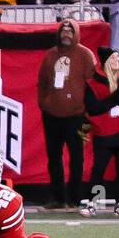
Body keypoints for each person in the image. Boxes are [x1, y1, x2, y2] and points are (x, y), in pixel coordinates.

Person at [36, 18, 97, 209]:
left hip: (78, 116)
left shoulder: (85, 55)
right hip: (51, 115)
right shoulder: (50, 55)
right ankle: (58, 198)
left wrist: (87, 110)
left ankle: (74, 198)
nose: (67, 34)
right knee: (54, 157)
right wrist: (45, 103)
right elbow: (42, 83)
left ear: (76, 33)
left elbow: (94, 86)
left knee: (77, 157)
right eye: (63, 31)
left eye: (71, 31)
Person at [83, 48, 119, 216]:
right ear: (106, 62)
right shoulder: (93, 83)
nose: (117, 60)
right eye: (113, 58)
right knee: (98, 170)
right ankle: (92, 203)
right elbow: (93, 108)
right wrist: (115, 99)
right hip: (103, 133)